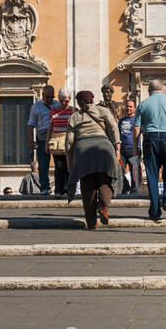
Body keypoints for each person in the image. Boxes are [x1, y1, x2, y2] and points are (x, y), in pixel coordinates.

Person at [65, 91, 121, 229]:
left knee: (87, 185)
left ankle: (91, 223)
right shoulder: (103, 111)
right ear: (93, 99)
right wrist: (117, 148)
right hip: (104, 148)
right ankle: (103, 207)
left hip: (82, 151)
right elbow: (113, 128)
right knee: (106, 179)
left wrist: (69, 160)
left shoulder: (74, 117)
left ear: (78, 102)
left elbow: (69, 142)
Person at [135, 78, 166, 222]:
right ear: (163, 90)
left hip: (150, 140)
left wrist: (135, 147)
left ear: (149, 91)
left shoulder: (143, 104)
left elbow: (136, 129)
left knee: (152, 175)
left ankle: (155, 211)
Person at [27, 85, 56, 195]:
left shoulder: (57, 104)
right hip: (42, 137)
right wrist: (30, 139)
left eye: (51, 97)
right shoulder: (36, 107)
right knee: (43, 164)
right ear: (43, 95)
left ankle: (61, 186)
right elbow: (31, 124)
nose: (50, 99)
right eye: (47, 97)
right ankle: (45, 187)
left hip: (55, 136)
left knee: (59, 163)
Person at [46, 88, 75, 196]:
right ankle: (58, 190)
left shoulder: (74, 111)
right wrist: (46, 143)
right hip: (57, 141)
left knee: (69, 166)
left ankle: (69, 189)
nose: (64, 103)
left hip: (70, 141)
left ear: (70, 100)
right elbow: (50, 127)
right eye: (61, 100)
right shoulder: (53, 111)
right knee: (59, 167)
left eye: (66, 101)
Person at [118, 97, 142, 196]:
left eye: (131, 107)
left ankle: (135, 189)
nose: (128, 108)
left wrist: (138, 148)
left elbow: (140, 132)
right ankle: (125, 186)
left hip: (133, 149)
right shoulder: (121, 120)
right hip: (122, 150)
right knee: (119, 169)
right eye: (127, 106)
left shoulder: (138, 119)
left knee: (134, 171)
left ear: (135, 108)